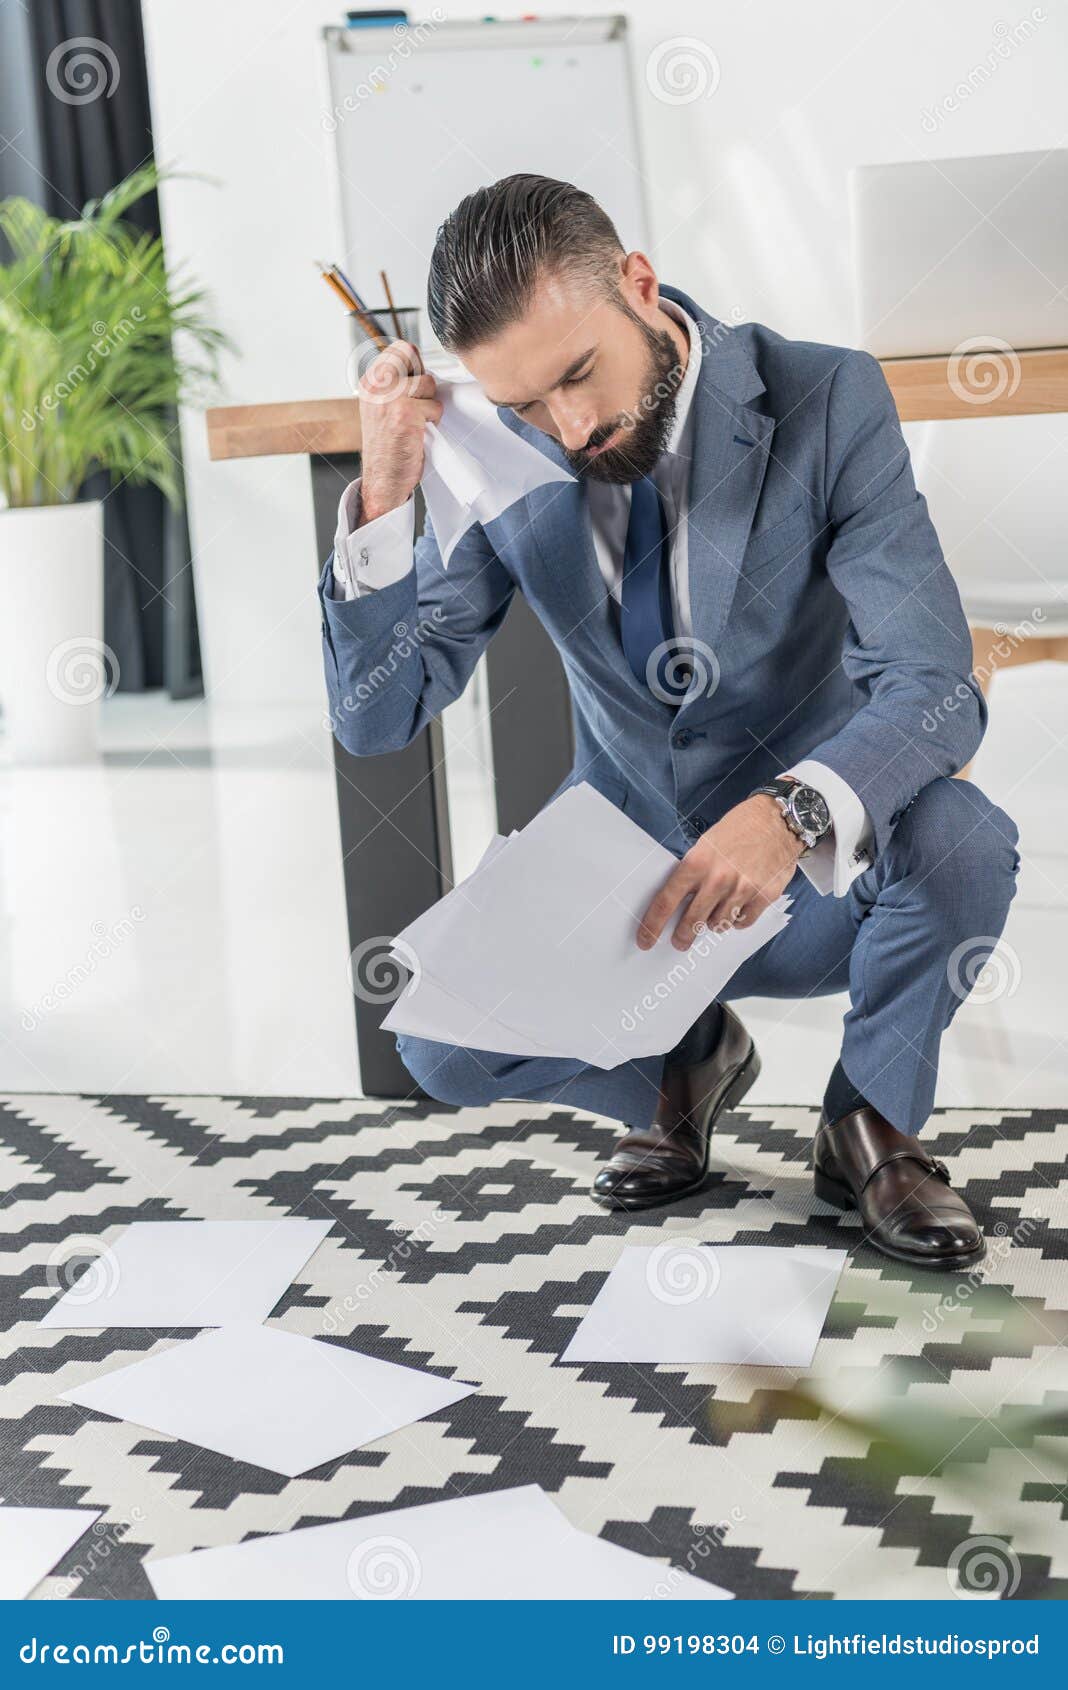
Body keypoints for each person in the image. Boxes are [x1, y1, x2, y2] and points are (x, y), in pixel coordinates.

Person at [318, 173, 1020, 1272]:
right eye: (526, 406)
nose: (572, 426)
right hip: (633, 902)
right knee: (436, 1047)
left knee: (966, 841)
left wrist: (790, 812)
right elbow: (378, 720)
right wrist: (385, 493)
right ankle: (681, 1062)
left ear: (639, 285)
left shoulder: (825, 397)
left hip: (812, 886)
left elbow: (933, 685)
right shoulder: (509, 454)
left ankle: (871, 1127)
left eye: (579, 374)